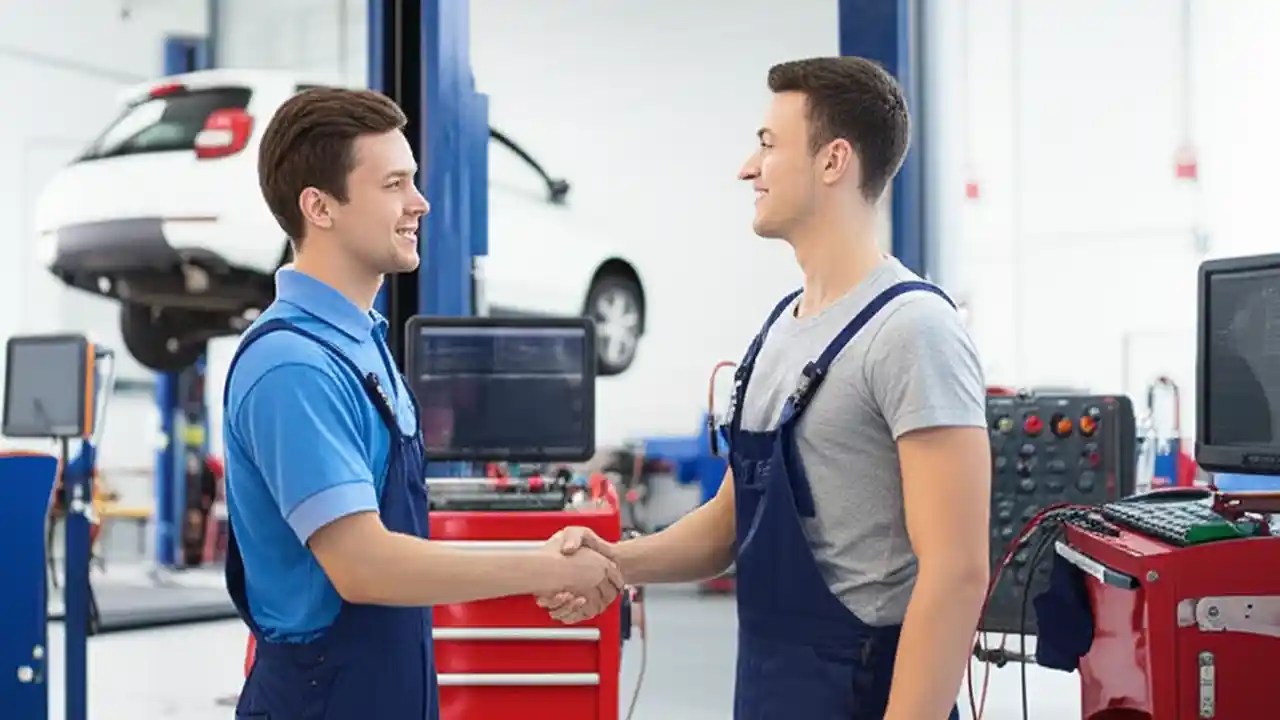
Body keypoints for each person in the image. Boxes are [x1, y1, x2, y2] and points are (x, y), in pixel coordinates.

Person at [539, 57, 992, 719]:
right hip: (772, 689)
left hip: (865, 696)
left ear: (834, 161)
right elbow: (730, 523)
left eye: (768, 144)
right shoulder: (784, 326)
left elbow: (956, 574)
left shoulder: (913, 330)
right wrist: (617, 559)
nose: (747, 168)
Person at [222, 86, 622, 720]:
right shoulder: (293, 365)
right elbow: (363, 565)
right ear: (319, 207)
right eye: (394, 184)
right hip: (323, 699)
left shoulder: (362, 345)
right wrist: (541, 567)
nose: (420, 203)